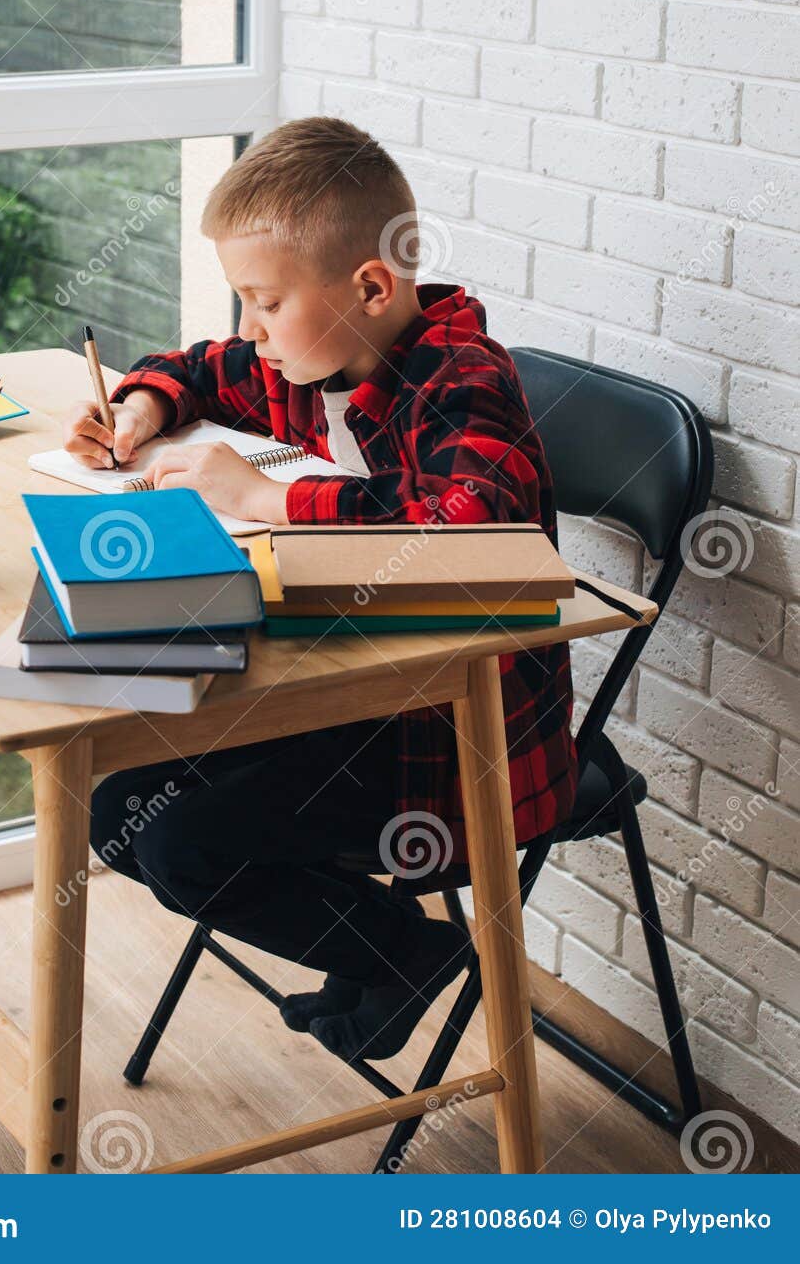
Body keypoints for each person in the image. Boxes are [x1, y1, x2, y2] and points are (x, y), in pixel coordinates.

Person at [62, 116, 576, 1063]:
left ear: (371, 285)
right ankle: (385, 952)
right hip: (343, 694)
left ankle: (402, 952)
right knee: (113, 808)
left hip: (453, 744)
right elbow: (199, 367)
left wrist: (275, 497)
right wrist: (138, 407)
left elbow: (469, 529)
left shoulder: (465, 382)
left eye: (263, 301)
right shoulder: (309, 355)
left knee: (183, 847)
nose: (249, 330)